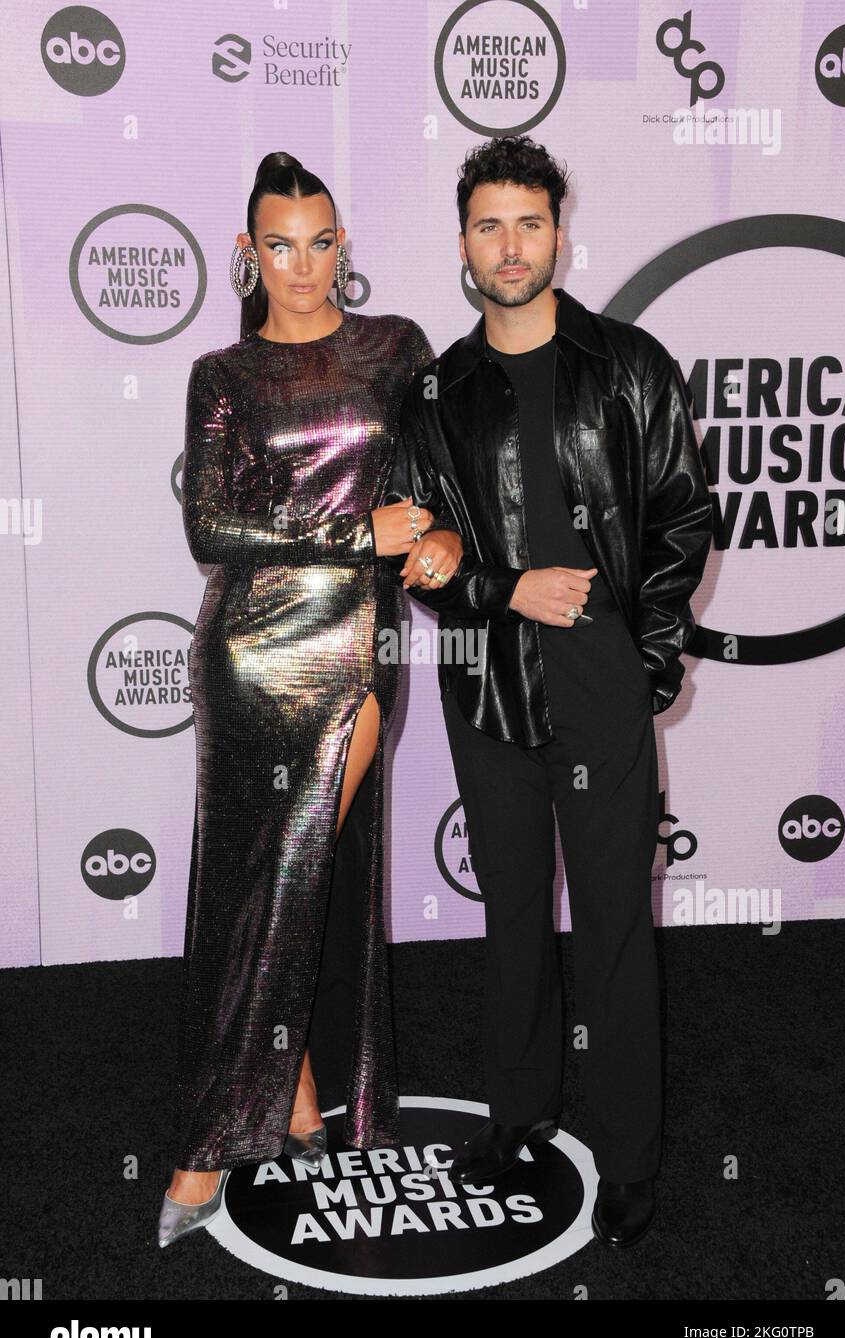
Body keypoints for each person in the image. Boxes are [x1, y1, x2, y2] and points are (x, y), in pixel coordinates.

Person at [380, 134, 712, 1248]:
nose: (510, 245)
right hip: (489, 680)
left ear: (560, 232)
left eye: (529, 221)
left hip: (602, 678)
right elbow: (415, 552)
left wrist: (648, 661)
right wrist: (503, 589)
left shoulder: (629, 363)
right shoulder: (437, 391)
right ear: (463, 241)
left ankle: (627, 1155)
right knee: (513, 913)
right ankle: (516, 1110)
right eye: (489, 224)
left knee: (615, 924)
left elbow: (680, 517)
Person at [158, 151, 461, 1248]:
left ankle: (203, 1141)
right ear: (250, 252)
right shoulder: (221, 374)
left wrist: (439, 535)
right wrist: (355, 534)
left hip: (356, 648)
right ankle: (288, 1095)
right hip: (246, 651)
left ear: (344, 245)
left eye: (320, 241)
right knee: (264, 882)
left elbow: (442, 479)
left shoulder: (395, 350)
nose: (303, 265)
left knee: (283, 879)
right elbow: (212, 528)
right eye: (278, 245)